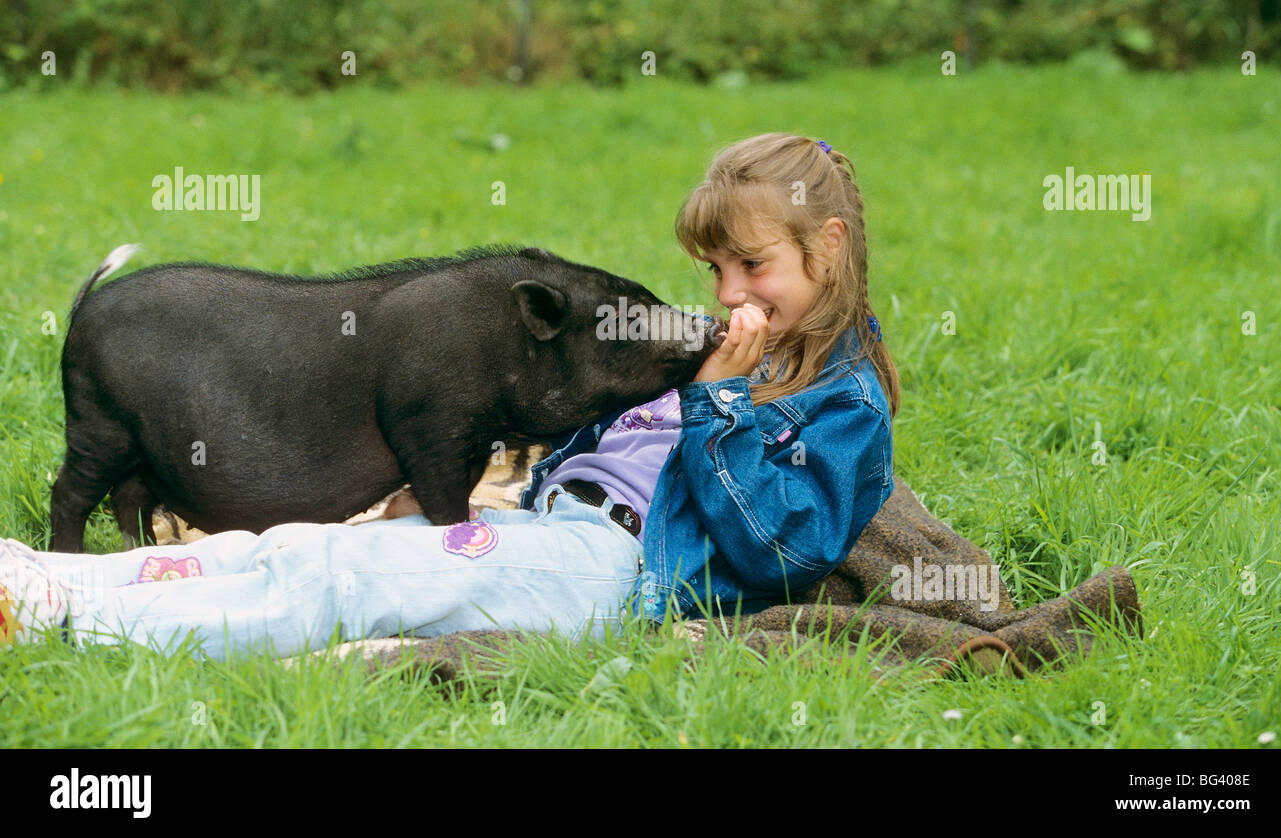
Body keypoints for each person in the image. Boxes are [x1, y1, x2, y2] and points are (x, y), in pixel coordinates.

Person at [0, 133, 900, 659]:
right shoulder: (741, 356)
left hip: (616, 575)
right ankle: (49, 571)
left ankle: (70, 620)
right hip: (558, 534)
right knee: (295, 544)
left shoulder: (840, 402)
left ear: (825, 250)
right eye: (714, 270)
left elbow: (778, 547)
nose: (728, 295)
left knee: (348, 578)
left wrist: (715, 406)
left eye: (753, 267)